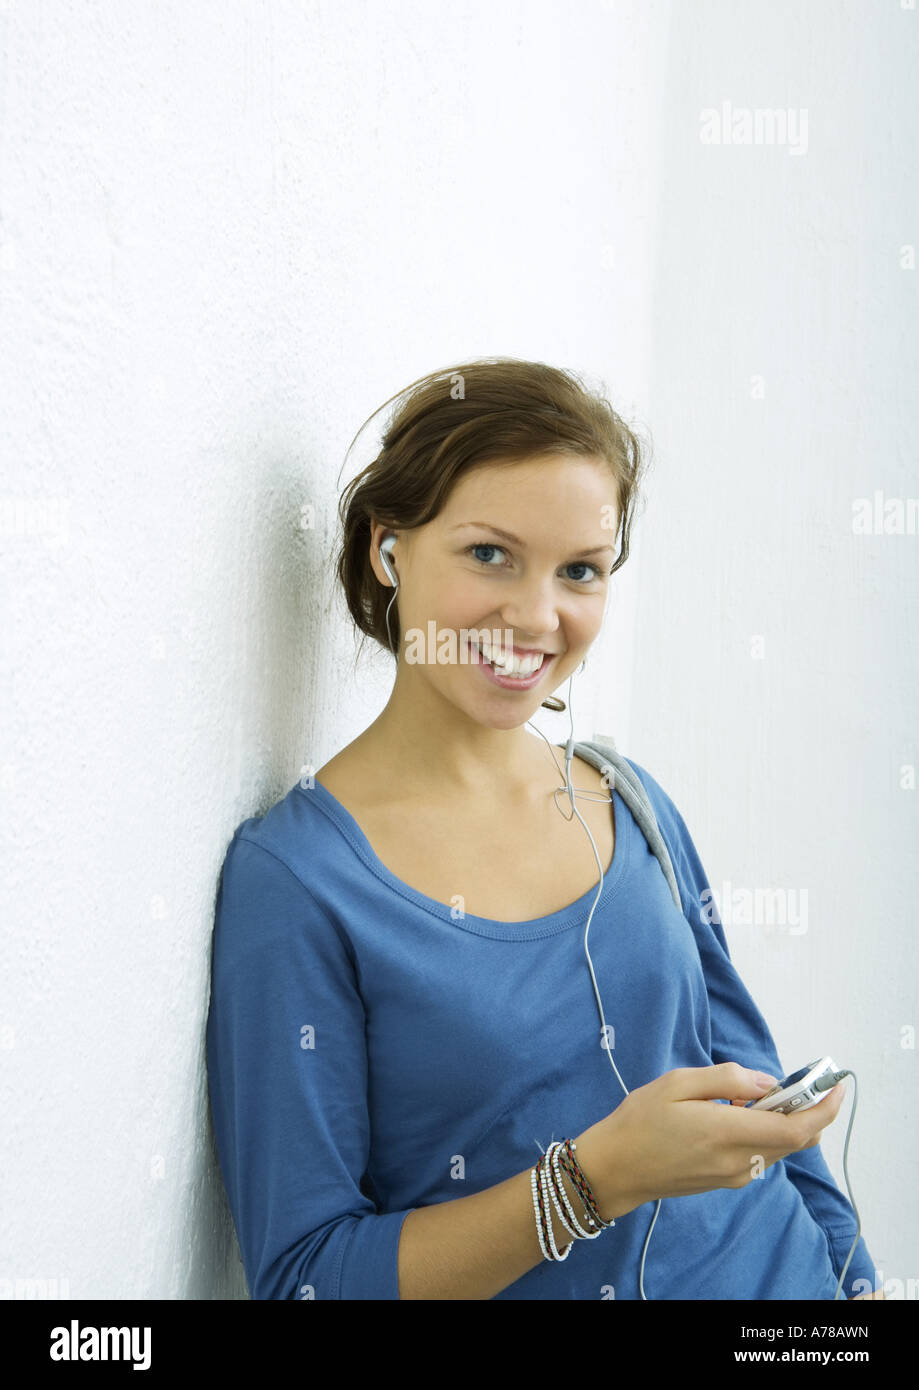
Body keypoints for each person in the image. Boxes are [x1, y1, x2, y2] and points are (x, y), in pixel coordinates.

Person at [205, 357, 882, 1300]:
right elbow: (307, 1278)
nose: (536, 617)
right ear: (386, 548)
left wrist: (858, 1288)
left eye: (579, 571)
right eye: (490, 554)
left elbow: (750, 1079)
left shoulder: (627, 798)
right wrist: (593, 1181)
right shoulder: (299, 882)